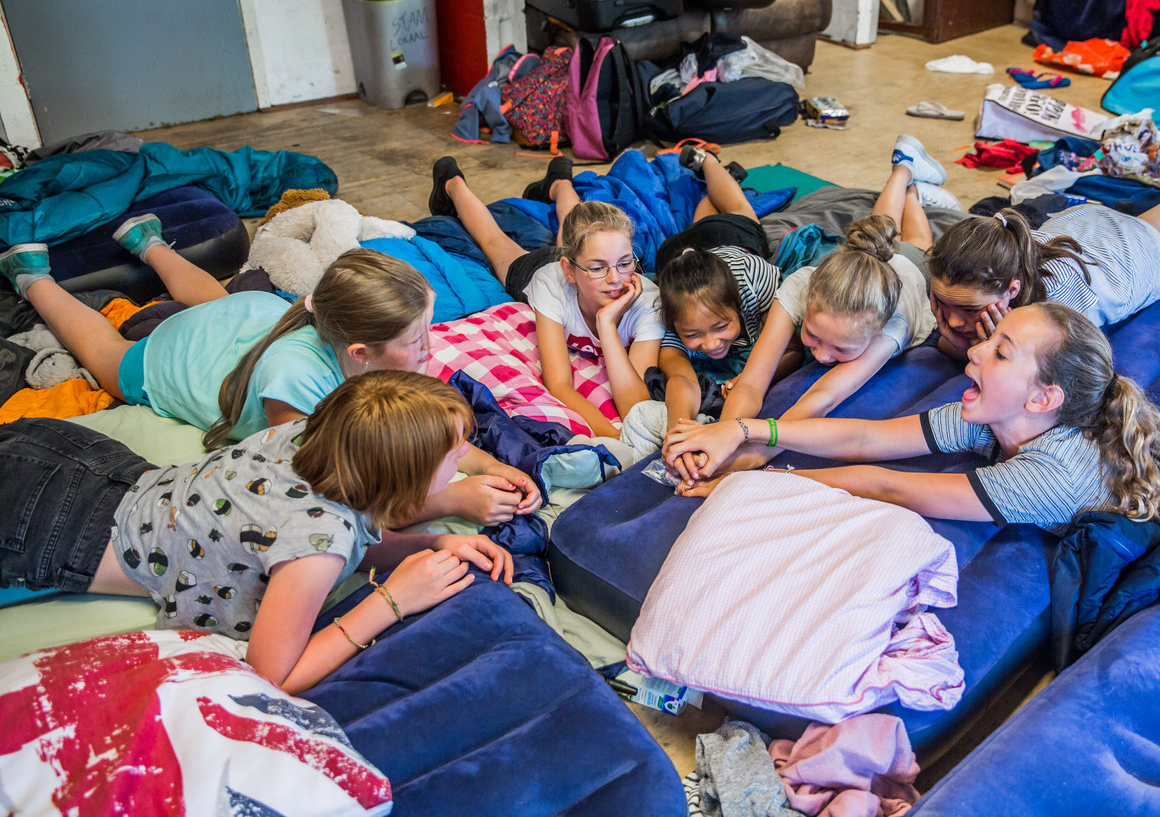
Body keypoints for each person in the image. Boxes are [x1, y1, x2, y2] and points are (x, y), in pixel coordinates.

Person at [0, 371, 513, 694]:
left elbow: (341, 532)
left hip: (79, 459)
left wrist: (430, 543)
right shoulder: (319, 547)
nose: (462, 462)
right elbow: (270, 674)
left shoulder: (313, 434)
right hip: (55, 526)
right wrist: (391, 602)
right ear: (403, 478)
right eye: (455, 455)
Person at [0, 232, 541, 527]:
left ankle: (151, 244)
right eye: (418, 338)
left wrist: (492, 467)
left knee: (217, 298)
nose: (431, 350)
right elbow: (331, 498)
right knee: (107, 354)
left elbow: (435, 432)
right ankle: (31, 279)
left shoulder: (348, 342)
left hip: (248, 315)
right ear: (361, 353)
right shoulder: (294, 391)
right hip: (177, 356)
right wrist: (450, 500)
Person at [663, 302, 1160, 534]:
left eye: (1001, 351)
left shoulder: (1051, 474)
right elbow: (868, 438)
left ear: (1042, 398)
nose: (974, 353)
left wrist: (747, 484)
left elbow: (887, 485)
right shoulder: (997, 414)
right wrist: (742, 430)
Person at [660, 136, 940, 482]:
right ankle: (902, 170)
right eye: (812, 335)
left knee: (916, 244)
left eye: (841, 348)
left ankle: (909, 184)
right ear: (809, 300)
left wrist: (753, 450)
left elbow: (821, 397)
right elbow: (750, 383)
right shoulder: (802, 283)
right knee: (879, 225)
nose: (821, 355)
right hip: (860, 266)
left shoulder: (893, 324)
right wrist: (726, 431)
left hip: (909, 271)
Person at [428, 156, 664, 438]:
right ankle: (452, 183)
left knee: (576, 231)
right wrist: (613, 438)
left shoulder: (648, 301)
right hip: (541, 269)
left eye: (625, 263)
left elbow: (636, 406)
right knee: (495, 242)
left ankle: (559, 182)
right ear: (570, 271)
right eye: (598, 268)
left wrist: (606, 325)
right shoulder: (551, 283)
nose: (615, 279)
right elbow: (560, 384)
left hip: (574, 262)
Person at [926, 168, 1160, 359]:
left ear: (1013, 289)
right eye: (942, 301)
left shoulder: (1053, 311)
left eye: (968, 309)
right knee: (1139, 227)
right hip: (1088, 223)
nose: (954, 319)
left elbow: (1017, 371)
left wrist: (965, 346)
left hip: (1132, 261)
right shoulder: (1007, 247)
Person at [654, 147, 783, 431]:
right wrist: (679, 427)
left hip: (728, 237)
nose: (711, 344)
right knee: (708, 221)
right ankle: (720, 175)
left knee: (740, 212)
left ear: (737, 303)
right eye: (693, 334)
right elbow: (681, 378)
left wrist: (752, 376)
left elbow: (788, 346)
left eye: (720, 326)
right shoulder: (665, 310)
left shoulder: (753, 277)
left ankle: (708, 162)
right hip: (674, 251)